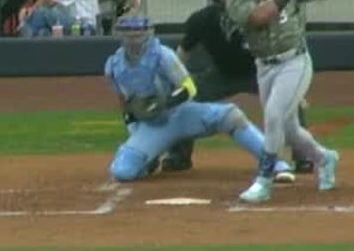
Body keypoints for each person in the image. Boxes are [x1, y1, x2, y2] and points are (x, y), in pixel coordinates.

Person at [220, 0, 354, 203]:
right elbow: (259, 17)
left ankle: (264, 181)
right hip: (265, 66)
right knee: (289, 130)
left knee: (273, 115)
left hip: (295, 60)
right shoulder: (235, 0)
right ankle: (324, 158)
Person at [161, 0, 315, 178]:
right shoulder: (201, 19)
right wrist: (177, 84)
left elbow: (279, 46)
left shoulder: (257, 13)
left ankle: (303, 155)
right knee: (185, 99)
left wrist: (293, 86)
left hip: (258, 70)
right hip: (221, 74)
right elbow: (182, 54)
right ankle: (178, 155)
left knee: (291, 103)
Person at [103, 15, 276, 195]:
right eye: (129, 32)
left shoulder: (163, 55)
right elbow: (125, 105)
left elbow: (189, 88)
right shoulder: (114, 66)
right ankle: (148, 160)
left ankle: (275, 164)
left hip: (180, 114)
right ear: (120, 34)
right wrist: (135, 130)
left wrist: (164, 102)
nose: (134, 37)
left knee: (232, 117)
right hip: (153, 126)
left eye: (138, 32)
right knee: (122, 172)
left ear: (148, 32)